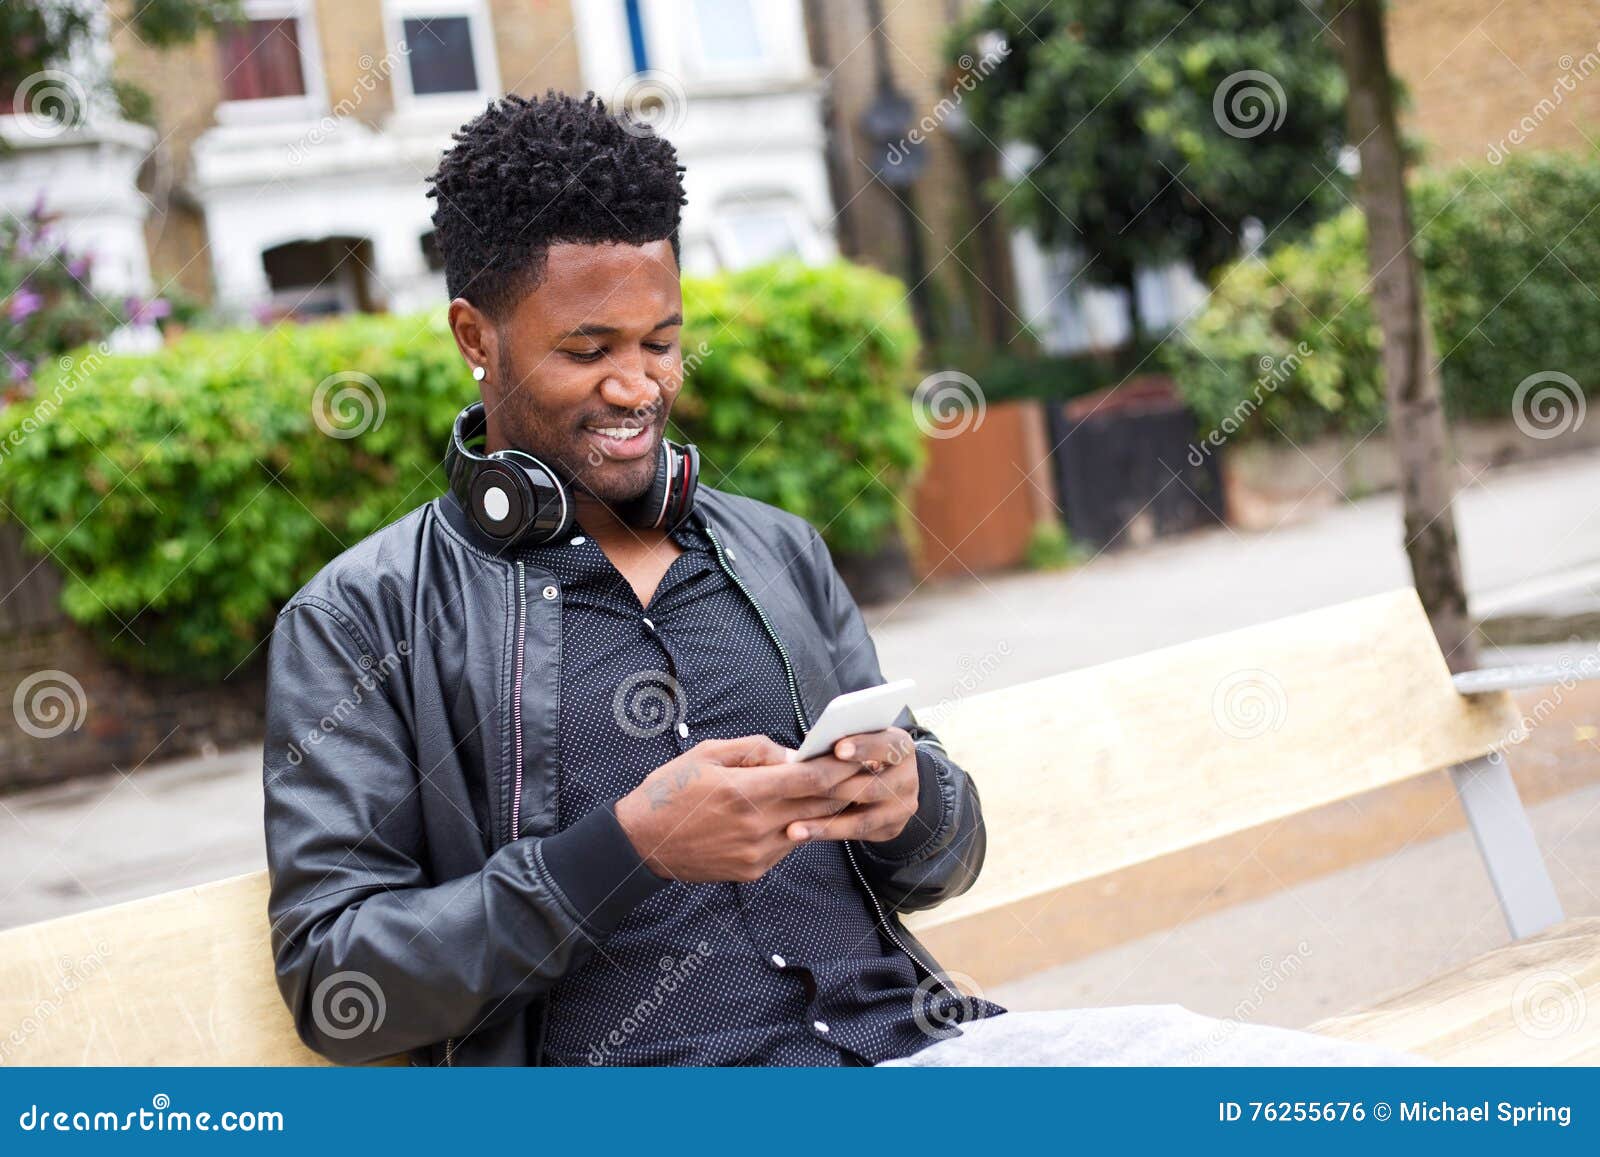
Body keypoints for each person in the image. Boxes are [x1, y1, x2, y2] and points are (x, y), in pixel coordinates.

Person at [262, 91, 1418, 1069]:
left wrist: (914, 798)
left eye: (659, 340)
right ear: (476, 333)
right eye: (587, 349)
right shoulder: (362, 615)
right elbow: (337, 982)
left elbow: (940, 855)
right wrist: (626, 846)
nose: (637, 386)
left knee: (1275, 1075)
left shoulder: (770, 550)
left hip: (923, 1052)